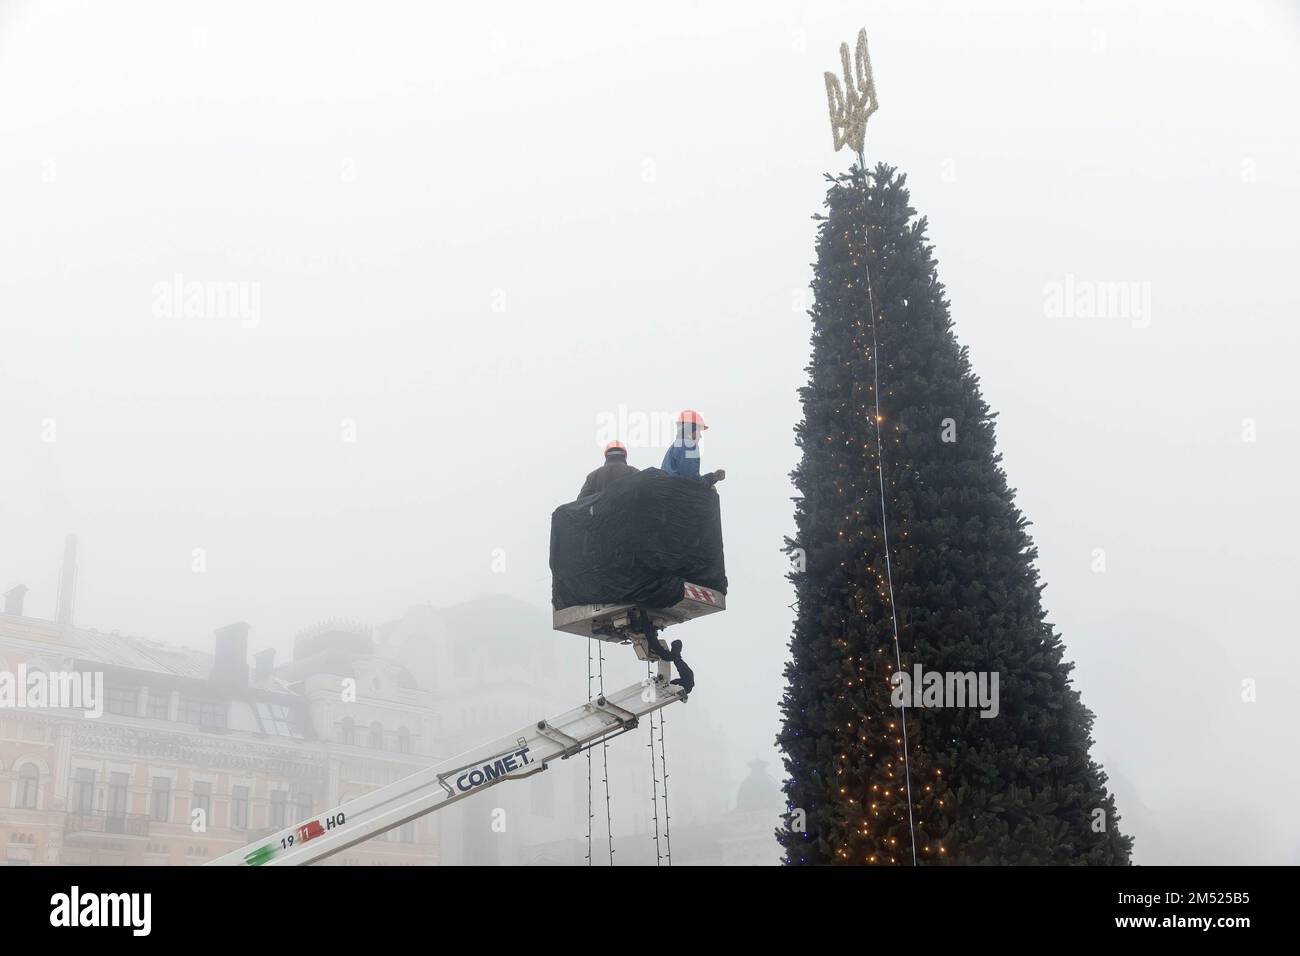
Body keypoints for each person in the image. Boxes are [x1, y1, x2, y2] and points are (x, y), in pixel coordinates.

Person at [660, 409, 725, 485]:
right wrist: (711, 480)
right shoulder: (688, 445)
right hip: (677, 492)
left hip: (670, 489)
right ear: (691, 429)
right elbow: (691, 480)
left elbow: (688, 477)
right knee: (711, 495)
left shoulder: (676, 445)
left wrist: (712, 477)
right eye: (698, 431)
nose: (700, 436)